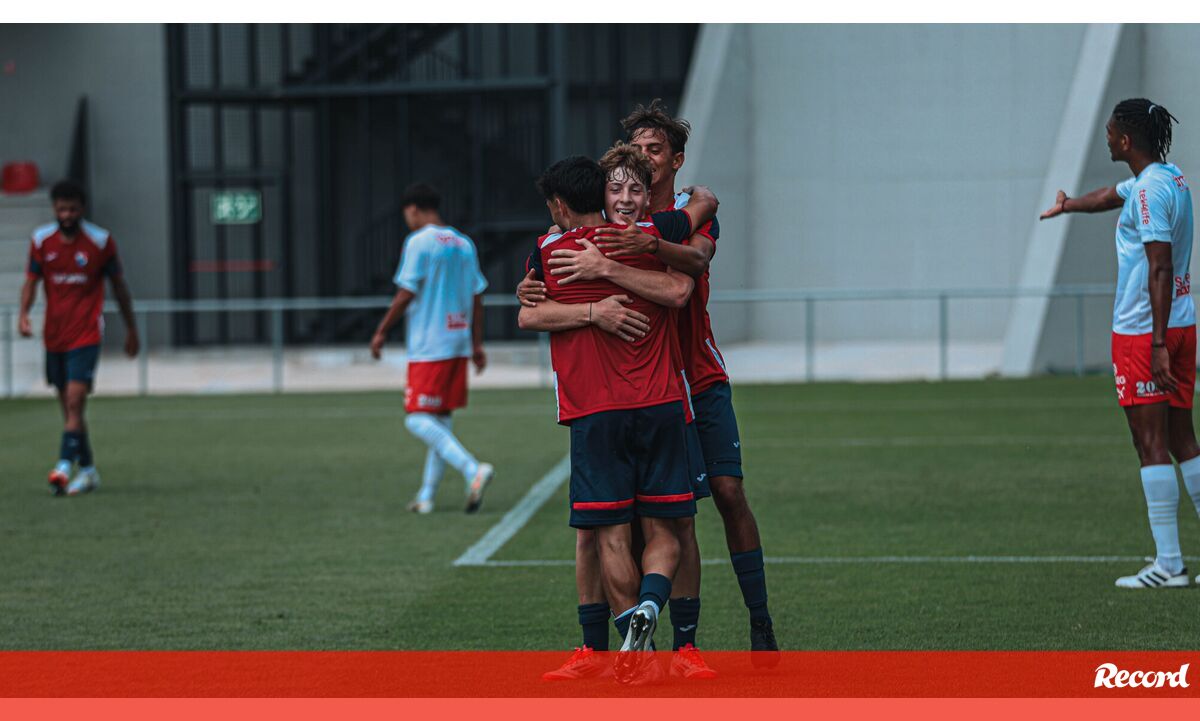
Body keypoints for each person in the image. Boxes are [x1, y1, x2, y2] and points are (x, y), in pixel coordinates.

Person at [523, 100, 780, 663]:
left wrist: (626, 258)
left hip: (694, 375)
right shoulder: (604, 222)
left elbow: (691, 270)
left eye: (655, 150)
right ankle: (618, 649)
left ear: (675, 161)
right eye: (635, 151)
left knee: (720, 496)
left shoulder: (688, 215)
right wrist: (541, 288)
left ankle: (753, 621)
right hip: (642, 388)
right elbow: (534, 297)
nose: (643, 159)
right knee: (632, 523)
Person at [527, 144, 720, 681]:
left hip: (595, 413)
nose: (629, 197)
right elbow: (684, 272)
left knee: (610, 534)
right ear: (603, 195)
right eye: (619, 188)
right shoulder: (652, 241)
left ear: (561, 205)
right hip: (661, 405)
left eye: (638, 186)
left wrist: (596, 281)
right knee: (668, 527)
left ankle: (638, 644)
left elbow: (526, 314)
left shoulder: (552, 251)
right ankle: (651, 616)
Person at [1040, 98, 1200, 588]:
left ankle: (1169, 565)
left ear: (1125, 139)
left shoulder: (1151, 192)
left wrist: (1153, 344)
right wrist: (1069, 205)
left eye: (1110, 133)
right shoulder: (1166, 177)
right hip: (1182, 322)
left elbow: (1160, 265)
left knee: (1148, 443)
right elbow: (1112, 195)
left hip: (1143, 332)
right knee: (1182, 440)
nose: (1107, 138)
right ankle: (1171, 562)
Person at [370, 183, 494, 515]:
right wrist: (476, 344)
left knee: (416, 419)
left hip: (430, 345)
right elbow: (477, 297)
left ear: (413, 210)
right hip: (456, 340)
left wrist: (381, 331)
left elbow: (405, 293)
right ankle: (426, 496)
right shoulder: (463, 243)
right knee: (441, 420)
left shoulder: (419, 242)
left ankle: (472, 469)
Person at [19, 180, 139, 496]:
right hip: (55, 335)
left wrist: (131, 328)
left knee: (75, 400)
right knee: (70, 410)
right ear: (54, 209)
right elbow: (31, 281)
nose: (67, 214)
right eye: (61, 209)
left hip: (86, 334)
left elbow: (120, 287)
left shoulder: (100, 243)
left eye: (72, 209)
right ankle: (87, 470)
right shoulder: (41, 241)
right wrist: (23, 314)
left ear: (81, 209)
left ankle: (62, 465)